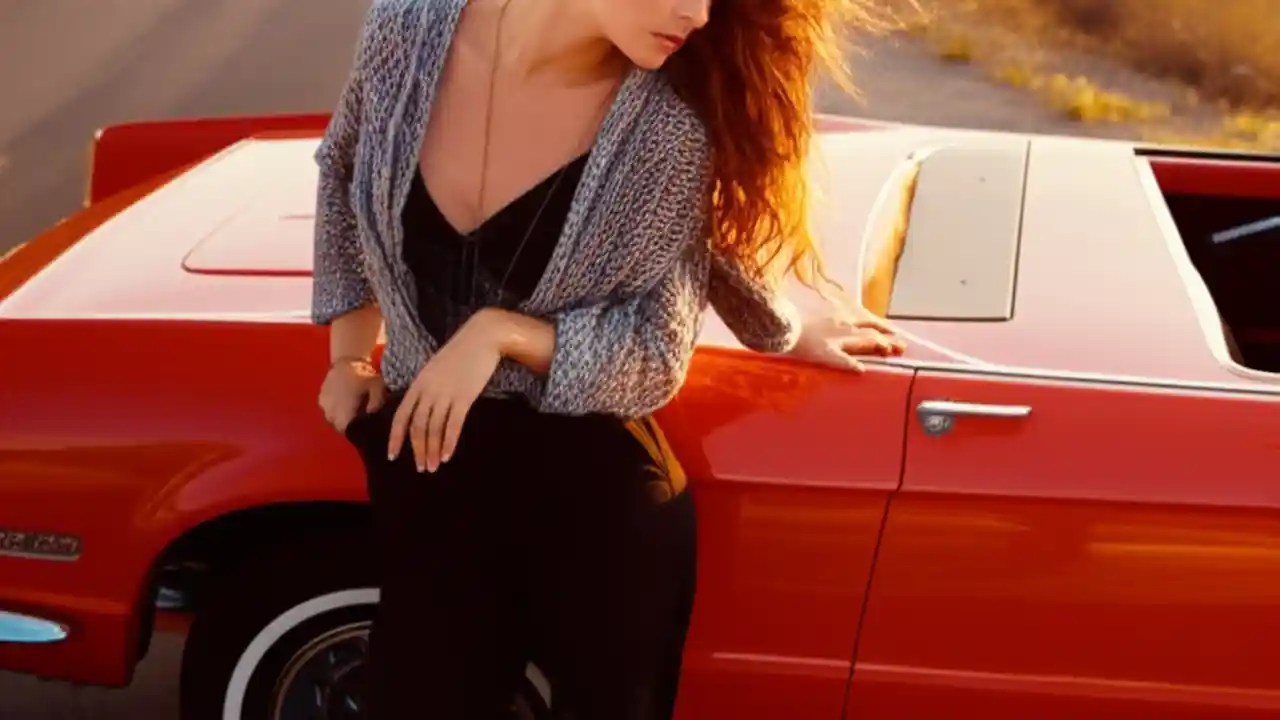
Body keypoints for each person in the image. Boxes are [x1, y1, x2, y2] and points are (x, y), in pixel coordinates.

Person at [310, 0, 904, 717]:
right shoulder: (405, 30)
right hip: (432, 485)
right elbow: (342, 169)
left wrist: (504, 334)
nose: (700, 15)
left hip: (596, 504)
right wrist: (349, 356)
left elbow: (658, 349)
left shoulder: (667, 135)